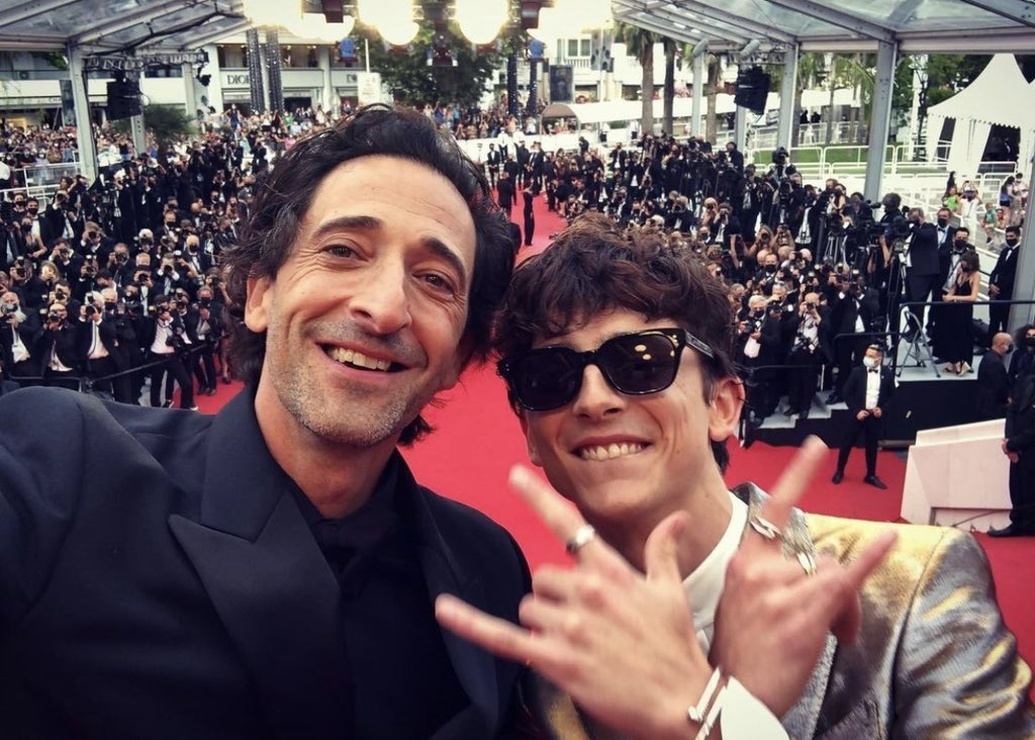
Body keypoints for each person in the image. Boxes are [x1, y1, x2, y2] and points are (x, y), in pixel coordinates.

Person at [0, 106, 530, 737]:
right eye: (342, 250)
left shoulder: (491, 570)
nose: (386, 307)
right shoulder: (60, 470)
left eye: (435, 279)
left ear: (458, 360)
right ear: (259, 294)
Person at [436, 214, 1034, 738]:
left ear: (723, 405)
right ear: (530, 433)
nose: (593, 399)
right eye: (549, 375)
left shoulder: (913, 590)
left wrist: (715, 726)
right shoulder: (543, 687)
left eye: (640, 360)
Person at [832, 344, 895, 489]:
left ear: (879, 358)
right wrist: (856, 411)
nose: (867, 358)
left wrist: (882, 409)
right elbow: (846, 393)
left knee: (872, 446)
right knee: (847, 444)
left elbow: (892, 395)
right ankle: (839, 471)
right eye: (867, 355)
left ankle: (871, 475)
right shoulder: (857, 372)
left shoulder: (887, 373)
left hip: (874, 416)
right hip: (858, 415)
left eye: (871, 356)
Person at [990, 370, 1035, 538]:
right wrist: (1009, 442)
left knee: (1031, 489)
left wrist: (1013, 444)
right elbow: (1012, 410)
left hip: (1030, 448)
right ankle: (1017, 523)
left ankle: (1030, 526)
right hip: (1017, 449)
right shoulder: (1027, 382)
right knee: (1017, 487)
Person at [938, 250, 980, 375]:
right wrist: (948, 296)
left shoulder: (975, 276)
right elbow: (954, 288)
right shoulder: (960, 272)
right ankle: (953, 361)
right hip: (953, 308)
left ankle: (959, 362)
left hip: (964, 310)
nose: (963, 264)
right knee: (948, 332)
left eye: (965, 262)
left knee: (960, 335)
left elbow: (973, 297)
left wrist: (955, 298)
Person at [988, 225, 1022, 339]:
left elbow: (1013, 275)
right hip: (995, 293)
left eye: (1011, 236)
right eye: (1007, 236)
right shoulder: (1004, 251)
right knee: (993, 321)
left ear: (1018, 236)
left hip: (1007, 295)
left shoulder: (1021, 253)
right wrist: (991, 283)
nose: (1009, 238)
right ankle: (989, 345)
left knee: (1005, 323)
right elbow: (996, 269)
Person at [976, 332, 1012, 421]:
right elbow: (999, 386)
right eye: (1009, 344)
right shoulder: (995, 363)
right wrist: (1007, 399)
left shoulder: (988, 356)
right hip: (992, 408)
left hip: (985, 403)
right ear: (1002, 345)